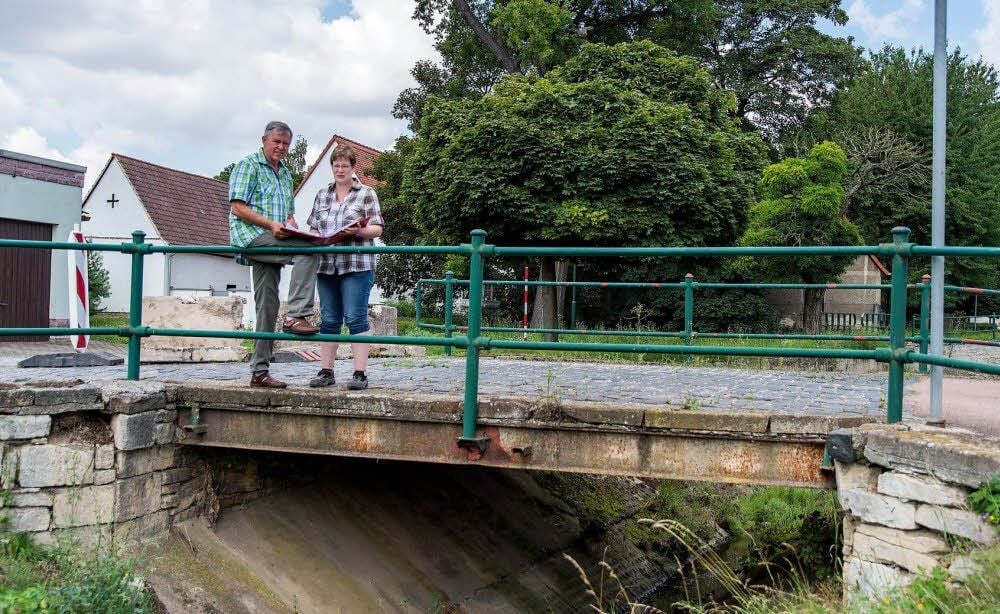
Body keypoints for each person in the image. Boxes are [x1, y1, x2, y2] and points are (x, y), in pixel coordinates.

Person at [229, 121, 320, 389]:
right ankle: (296, 315)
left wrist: (291, 226)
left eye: (285, 144)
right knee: (311, 251)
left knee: (266, 306)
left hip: (274, 239)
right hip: (253, 238)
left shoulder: (286, 174)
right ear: (264, 140)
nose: (281, 147)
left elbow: (288, 214)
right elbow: (237, 208)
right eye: (276, 142)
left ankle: (259, 372)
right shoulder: (248, 165)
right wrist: (271, 225)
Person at [306, 144, 384, 390]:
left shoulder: (367, 193)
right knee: (329, 319)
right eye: (336, 165)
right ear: (332, 168)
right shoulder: (322, 195)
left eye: (345, 166)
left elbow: (377, 228)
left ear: (353, 168)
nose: (340, 170)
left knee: (355, 316)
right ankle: (326, 371)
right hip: (327, 264)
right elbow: (314, 226)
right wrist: (315, 237)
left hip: (356, 263)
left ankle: (360, 373)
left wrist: (358, 231)